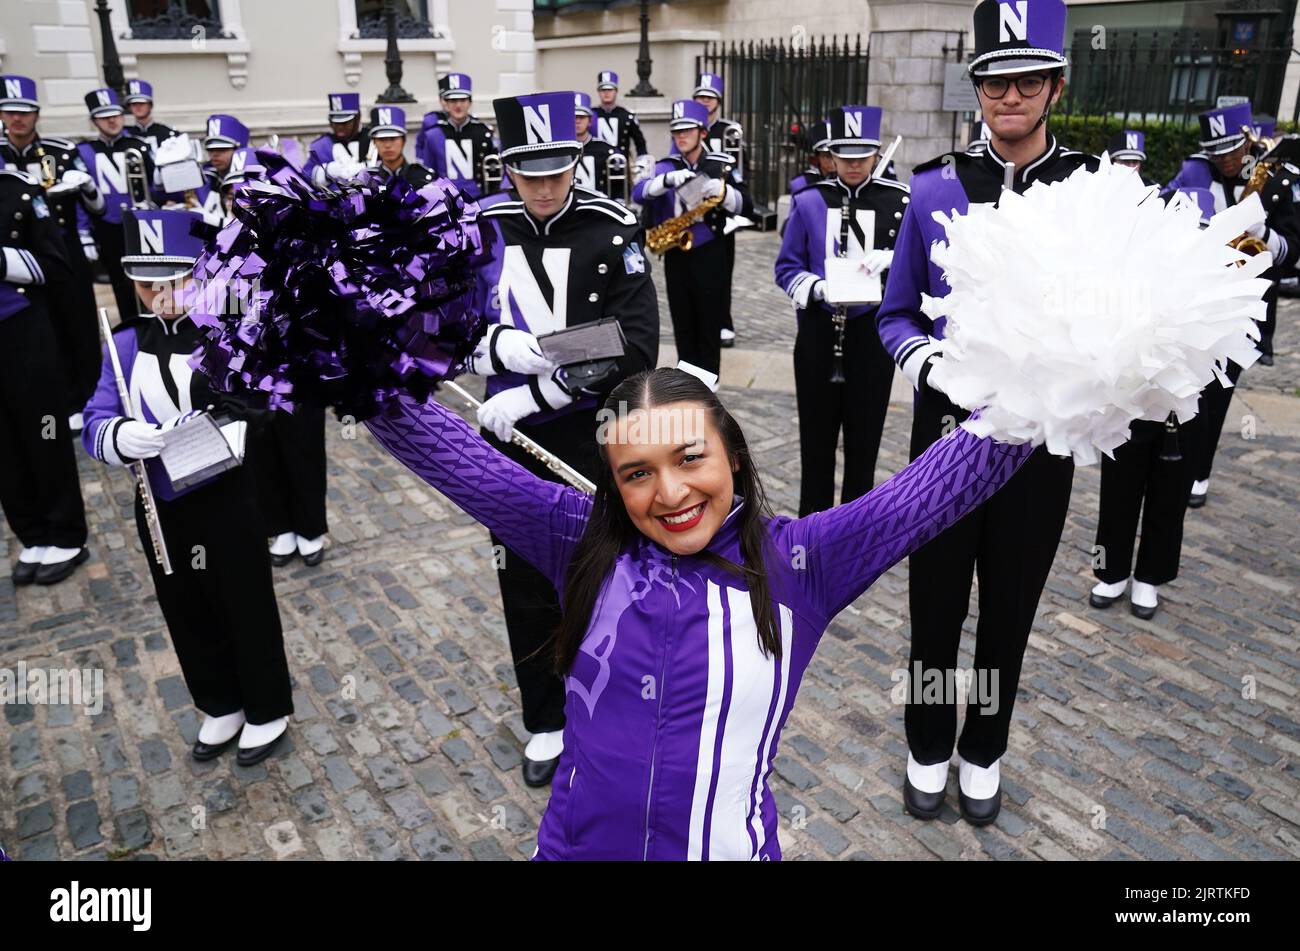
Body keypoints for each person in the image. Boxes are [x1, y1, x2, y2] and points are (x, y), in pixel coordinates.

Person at [364, 364, 1038, 858]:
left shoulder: (806, 562)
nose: (671, 492)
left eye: (691, 458)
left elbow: (945, 482)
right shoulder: (574, 538)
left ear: (735, 458)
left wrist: (1058, 382)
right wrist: (342, 357)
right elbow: (450, 456)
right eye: (637, 473)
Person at [875, 0, 1097, 826]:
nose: (1009, 96)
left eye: (1026, 80)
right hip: (945, 437)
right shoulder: (932, 187)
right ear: (977, 91)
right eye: (994, 82)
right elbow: (893, 314)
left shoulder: (1088, 191)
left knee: (1008, 609)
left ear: (1054, 86)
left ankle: (984, 748)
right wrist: (935, 366)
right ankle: (927, 742)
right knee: (935, 604)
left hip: (1039, 448)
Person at [468, 90, 659, 786]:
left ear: (577, 161)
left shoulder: (612, 228)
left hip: (593, 435)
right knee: (521, 579)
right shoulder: (479, 227)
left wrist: (543, 387)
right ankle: (545, 715)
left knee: (603, 574)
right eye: (529, 172)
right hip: (504, 436)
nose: (546, 187)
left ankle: (609, 707)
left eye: (558, 170)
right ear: (506, 167)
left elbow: (636, 346)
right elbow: (438, 327)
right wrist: (495, 346)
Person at [82, 207, 293, 765]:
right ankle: (220, 701)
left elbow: (260, 404)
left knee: (244, 600)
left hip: (225, 492)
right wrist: (121, 436)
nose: (160, 293)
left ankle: (267, 707)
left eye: (173, 279)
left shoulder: (229, 332)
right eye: (147, 282)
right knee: (184, 603)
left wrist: (203, 430)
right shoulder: (125, 343)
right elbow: (94, 416)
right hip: (160, 498)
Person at [1161, 100, 1300, 497]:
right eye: (1216, 153)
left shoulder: (1273, 178)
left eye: (1232, 151)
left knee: (1218, 397)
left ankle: (1198, 474)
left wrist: (1265, 236)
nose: (1225, 160)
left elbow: (1293, 248)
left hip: (1244, 311)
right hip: (1196, 303)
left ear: (1248, 144)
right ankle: (1174, 460)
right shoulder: (1193, 170)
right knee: (1187, 390)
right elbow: (1163, 210)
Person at [775, 105, 906, 517]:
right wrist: (817, 288)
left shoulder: (899, 202)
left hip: (871, 337)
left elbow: (919, 270)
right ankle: (813, 531)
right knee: (816, 443)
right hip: (817, 332)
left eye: (861, 156)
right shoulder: (810, 201)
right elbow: (786, 267)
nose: (853, 165)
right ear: (830, 155)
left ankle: (856, 529)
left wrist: (893, 262)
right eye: (844, 157)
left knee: (864, 443)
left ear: (876, 153)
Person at [0, 162, 90, 585]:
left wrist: (2, 260)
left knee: (44, 430)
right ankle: (32, 532)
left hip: (21, 328)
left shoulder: (19, 190)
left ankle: (66, 532)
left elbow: (56, 265)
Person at [0, 75, 105, 426]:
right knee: (39, 330)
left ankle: (90, 396)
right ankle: (56, 401)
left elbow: (96, 206)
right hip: (17, 260)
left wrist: (87, 186)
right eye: (10, 112)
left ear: (37, 115)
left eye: (25, 112)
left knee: (79, 325)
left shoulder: (62, 152)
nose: (18, 119)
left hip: (64, 252)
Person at [633, 99, 750, 378]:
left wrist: (725, 195)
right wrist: (665, 182)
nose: (681, 136)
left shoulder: (720, 164)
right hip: (675, 251)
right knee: (682, 322)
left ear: (703, 133)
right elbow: (639, 193)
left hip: (710, 250)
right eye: (677, 131)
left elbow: (749, 205)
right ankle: (686, 381)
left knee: (709, 323)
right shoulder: (665, 167)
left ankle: (710, 383)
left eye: (687, 130)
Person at [76, 87, 156, 323]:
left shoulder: (139, 146)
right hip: (107, 226)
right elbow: (80, 198)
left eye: (115, 114)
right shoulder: (83, 151)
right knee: (120, 283)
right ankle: (132, 326)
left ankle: (156, 326)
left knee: (152, 281)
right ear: (94, 121)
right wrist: (83, 231)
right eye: (104, 116)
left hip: (142, 225)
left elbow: (156, 188)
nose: (112, 120)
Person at [694, 72, 746, 350]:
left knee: (724, 270)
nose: (704, 102)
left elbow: (739, 169)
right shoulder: (689, 128)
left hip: (724, 208)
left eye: (709, 98)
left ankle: (724, 321)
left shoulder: (728, 130)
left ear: (718, 101)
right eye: (700, 97)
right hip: (694, 207)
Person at [416, 74, 499, 200]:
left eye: (463, 100)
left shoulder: (484, 133)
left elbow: (495, 174)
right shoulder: (433, 135)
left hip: (479, 200)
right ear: (446, 103)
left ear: (470, 102)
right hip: (446, 202)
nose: (458, 105)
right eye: (453, 100)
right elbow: (429, 175)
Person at [303, 92, 368, 187]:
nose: (339, 127)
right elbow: (305, 178)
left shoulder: (374, 141)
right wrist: (325, 172)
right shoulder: (322, 146)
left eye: (345, 122)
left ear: (357, 119)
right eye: (335, 123)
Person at [366, 104, 436, 187]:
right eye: (382, 139)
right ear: (374, 142)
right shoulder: (367, 180)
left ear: (404, 140)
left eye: (393, 138)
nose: (388, 145)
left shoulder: (423, 178)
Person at [572, 92, 624, 199]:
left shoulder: (606, 150)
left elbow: (618, 185)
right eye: (574, 117)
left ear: (590, 121)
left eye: (581, 117)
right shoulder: (562, 151)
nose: (577, 121)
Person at [592, 70, 648, 163]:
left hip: (620, 167)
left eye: (610, 90)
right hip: (595, 166)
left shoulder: (626, 116)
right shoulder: (591, 115)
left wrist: (642, 163)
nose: (606, 93)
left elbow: (640, 143)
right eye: (603, 90)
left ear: (616, 91)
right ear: (598, 92)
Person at [123, 79, 177, 152]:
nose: (138, 107)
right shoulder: (126, 135)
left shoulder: (166, 133)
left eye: (142, 103)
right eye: (134, 104)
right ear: (129, 107)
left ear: (150, 105)